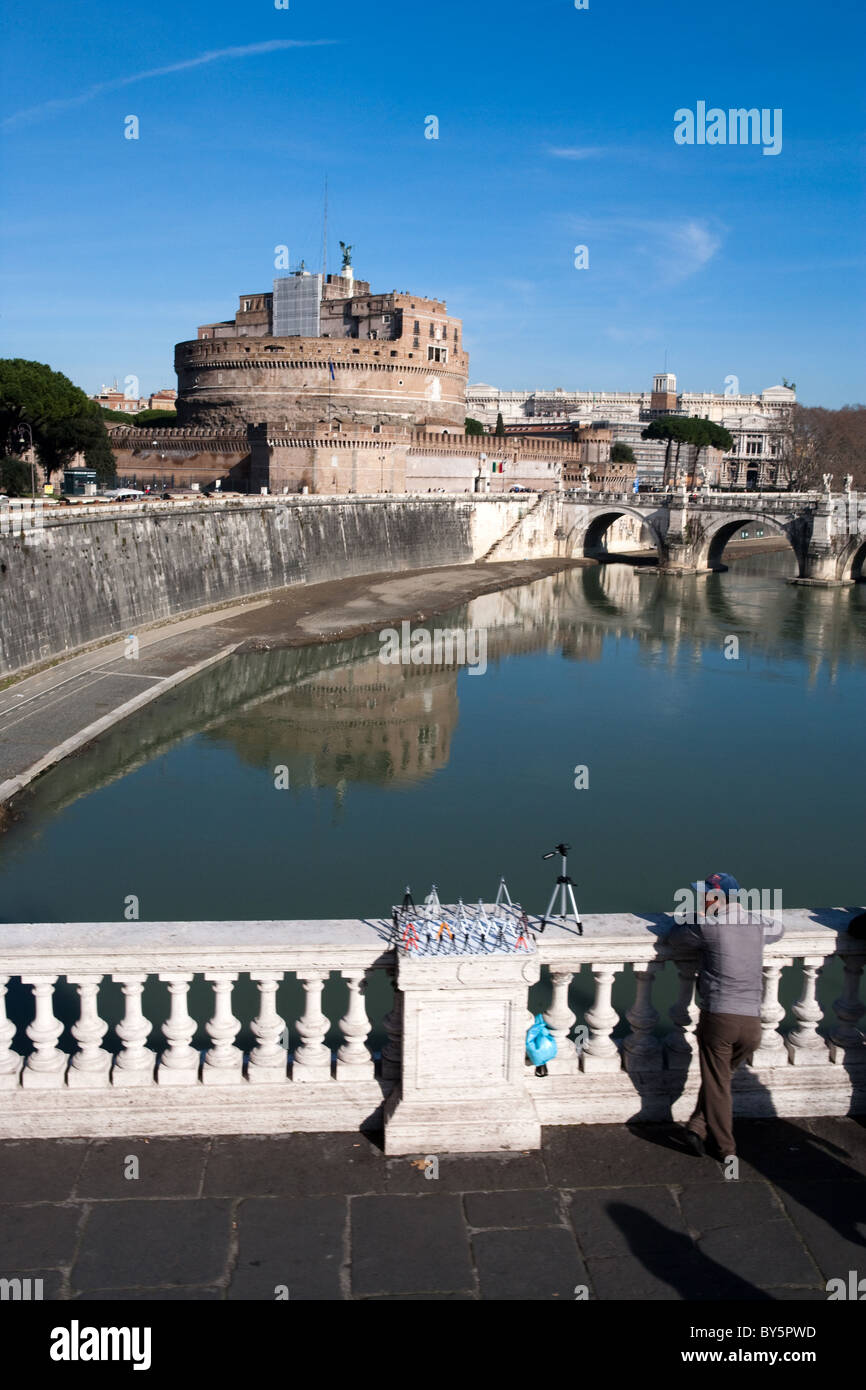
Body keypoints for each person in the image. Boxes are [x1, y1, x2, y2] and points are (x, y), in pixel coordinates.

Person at [666, 873, 784, 1161]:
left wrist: (695, 916)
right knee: (720, 1080)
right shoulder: (756, 923)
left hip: (720, 1018)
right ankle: (696, 1126)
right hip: (752, 1024)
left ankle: (725, 1149)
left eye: (706, 894)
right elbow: (779, 929)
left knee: (719, 1085)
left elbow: (675, 938)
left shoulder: (708, 926)